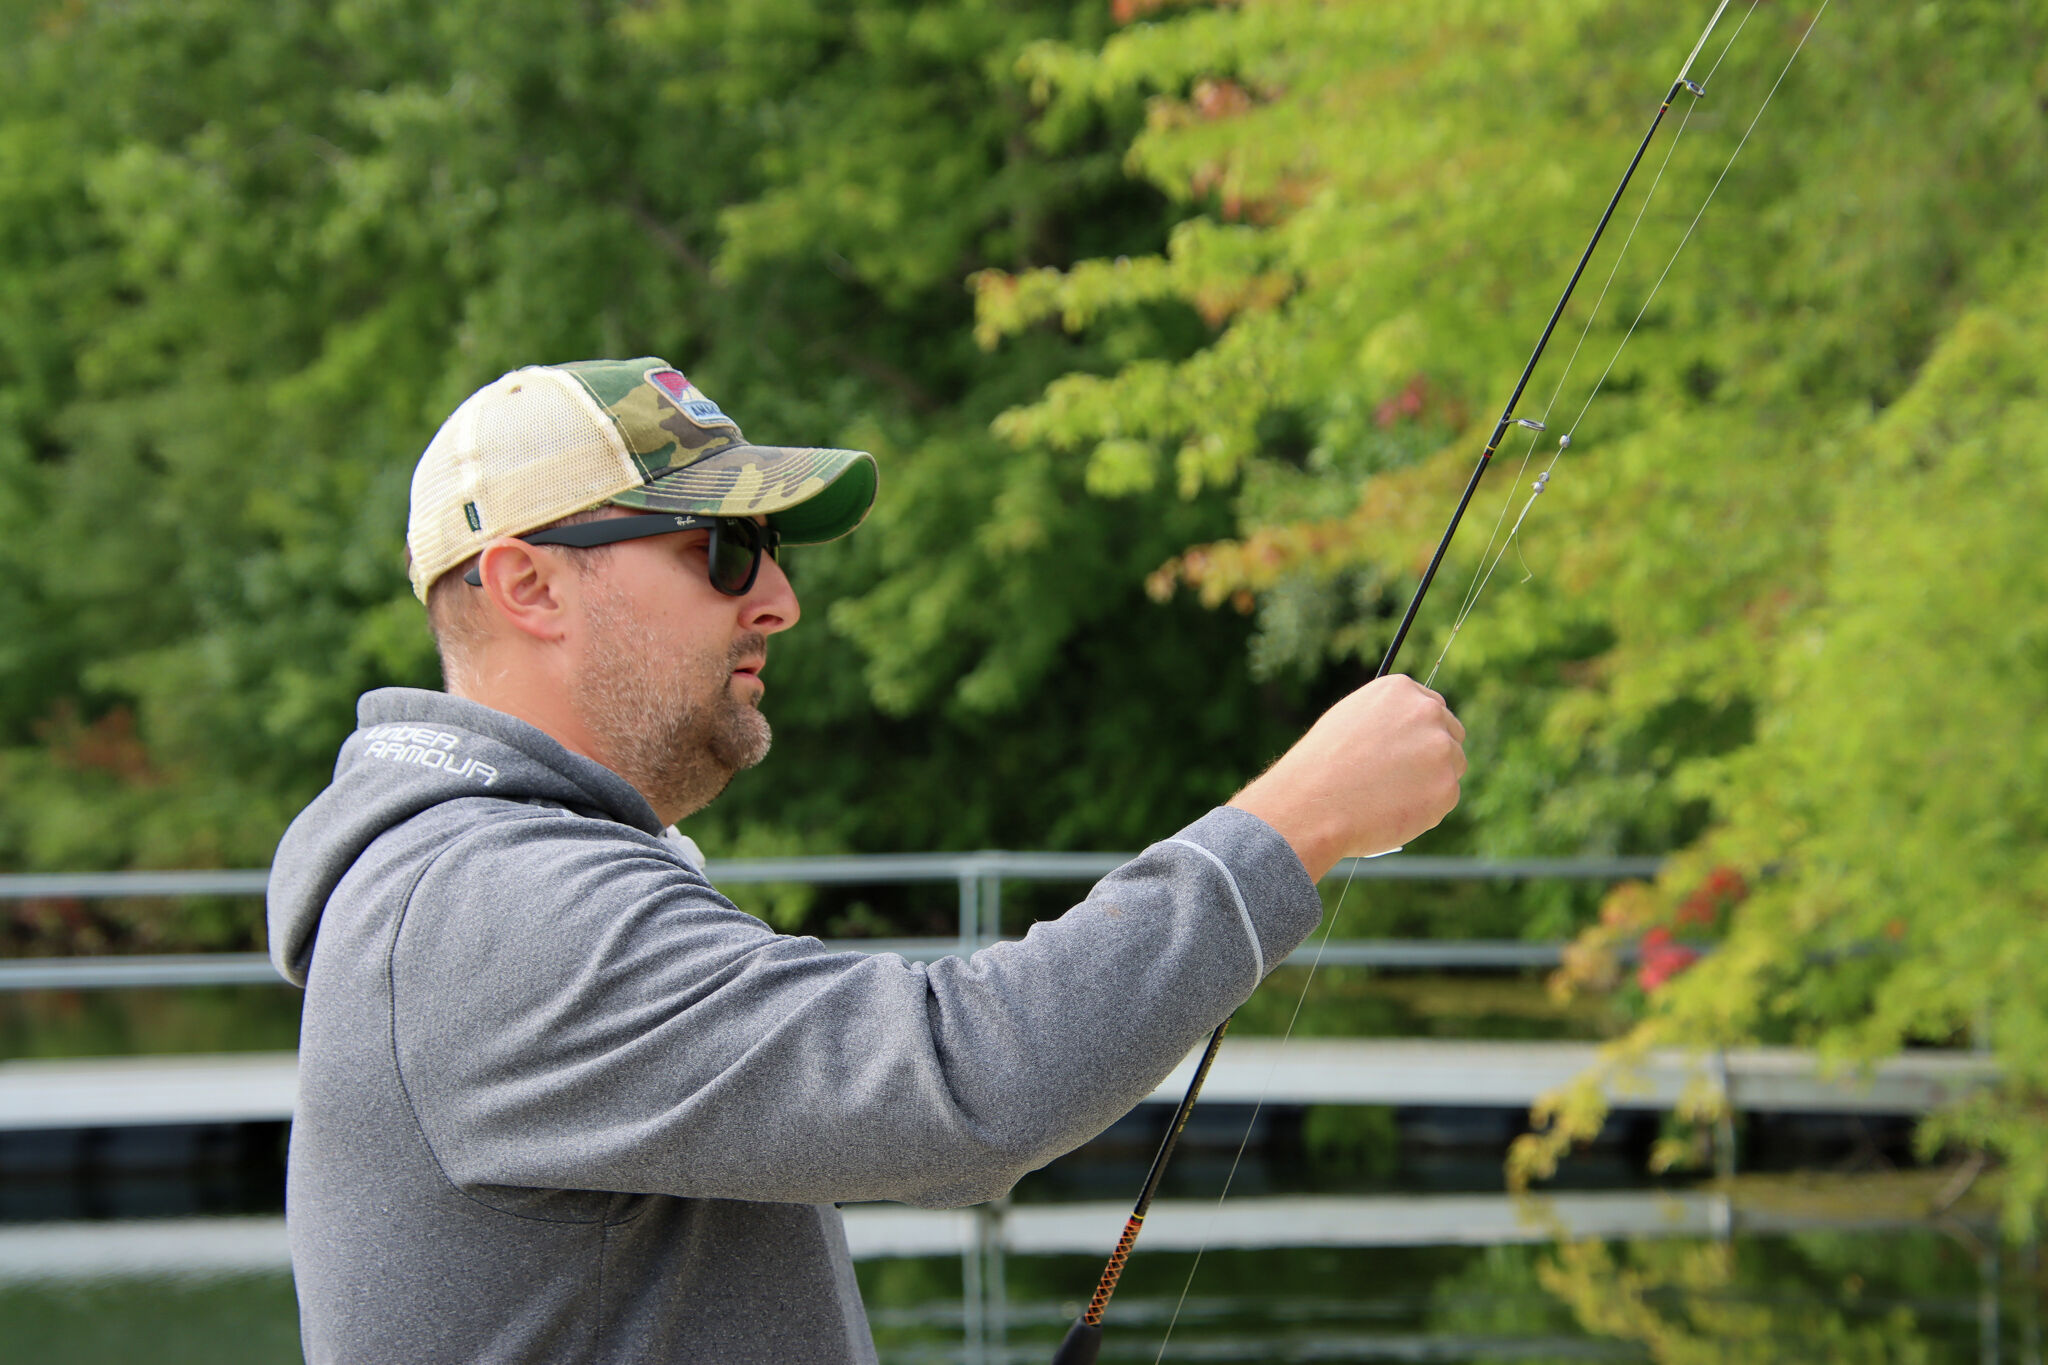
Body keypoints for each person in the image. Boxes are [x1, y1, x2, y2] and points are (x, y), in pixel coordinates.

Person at [267, 357, 1466, 1364]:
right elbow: (965, 1082)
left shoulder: (482, 879)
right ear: (528, 584)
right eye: (725, 549)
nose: (779, 597)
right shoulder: (488, 907)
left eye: (772, 547)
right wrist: (1296, 822)